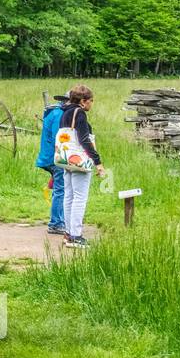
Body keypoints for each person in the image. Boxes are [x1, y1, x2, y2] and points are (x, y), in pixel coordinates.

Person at [57, 84, 105, 249]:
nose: (92, 104)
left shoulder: (65, 113)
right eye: (91, 101)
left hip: (66, 159)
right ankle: (76, 236)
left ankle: (68, 233)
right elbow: (85, 139)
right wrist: (97, 162)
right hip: (79, 161)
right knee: (79, 197)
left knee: (69, 196)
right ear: (83, 101)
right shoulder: (80, 114)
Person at [35, 93, 69, 235]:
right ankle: (56, 223)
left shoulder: (56, 112)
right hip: (54, 157)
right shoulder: (60, 115)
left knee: (60, 188)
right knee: (60, 190)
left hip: (50, 157)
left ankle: (60, 220)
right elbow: (59, 137)